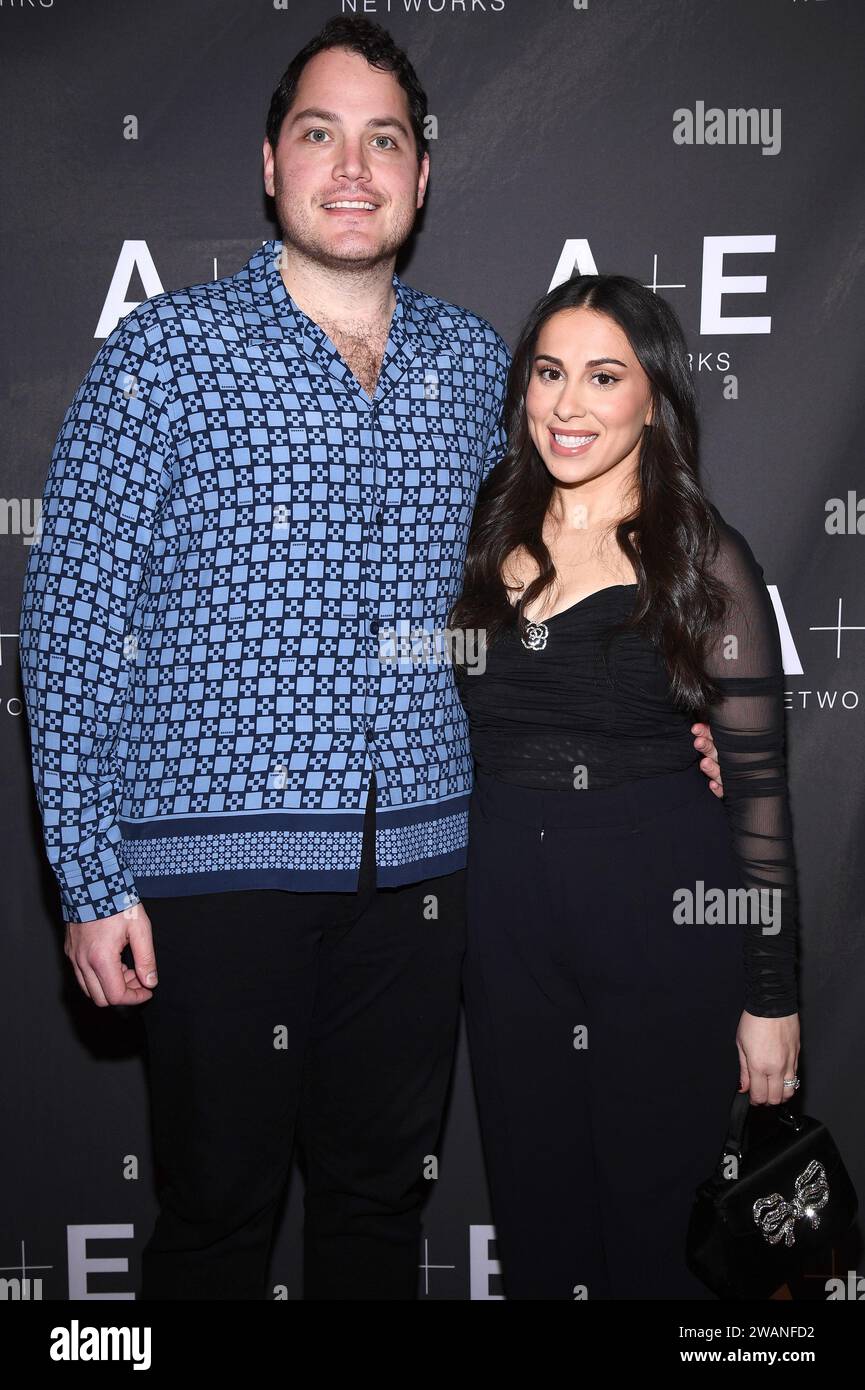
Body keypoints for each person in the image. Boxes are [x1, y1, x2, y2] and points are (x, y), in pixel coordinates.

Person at [18, 17, 721, 1301]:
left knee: (375, 1213)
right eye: (320, 134)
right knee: (216, 1219)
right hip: (210, 873)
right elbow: (70, 627)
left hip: (424, 881)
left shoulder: (472, 368)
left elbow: (565, 564)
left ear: (422, 173)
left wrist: (667, 726)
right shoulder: (161, 361)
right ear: (271, 166)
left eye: (383, 138)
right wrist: (87, 870)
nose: (353, 166)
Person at [450, 274, 801, 1300]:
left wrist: (771, 1001)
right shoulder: (482, 532)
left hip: (663, 918)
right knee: (537, 1218)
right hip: (504, 926)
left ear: (654, 397)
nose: (567, 405)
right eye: (548, 373)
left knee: (657, 1226)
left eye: (603, 377)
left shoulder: (702, 556)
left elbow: (760, 804)